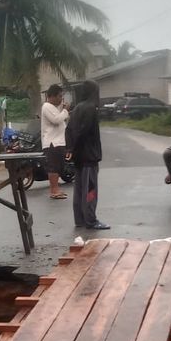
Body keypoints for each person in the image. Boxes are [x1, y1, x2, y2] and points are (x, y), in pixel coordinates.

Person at [65, 79, 108, 230]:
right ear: (94, 92)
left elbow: (69, 130)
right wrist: (77, 147)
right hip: (89, 156)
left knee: (79, 190)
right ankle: (91, 220)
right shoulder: (91, 109)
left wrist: (71, 150)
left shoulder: (76, 109)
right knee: (90, 189)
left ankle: (80, 219)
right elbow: (83, 132)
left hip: (79, 157)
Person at [40, 84, 70, 200]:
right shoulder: (46, 106)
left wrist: (63, 111)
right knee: (53, 167)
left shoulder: (54, 107)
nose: (60, 99)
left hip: (58, 142)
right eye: (59, 96)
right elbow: (56, 120)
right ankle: (54, 190)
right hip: (52, 143)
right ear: (51, 96)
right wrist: (65, 111)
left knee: (58, 167)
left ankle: (56, 189)